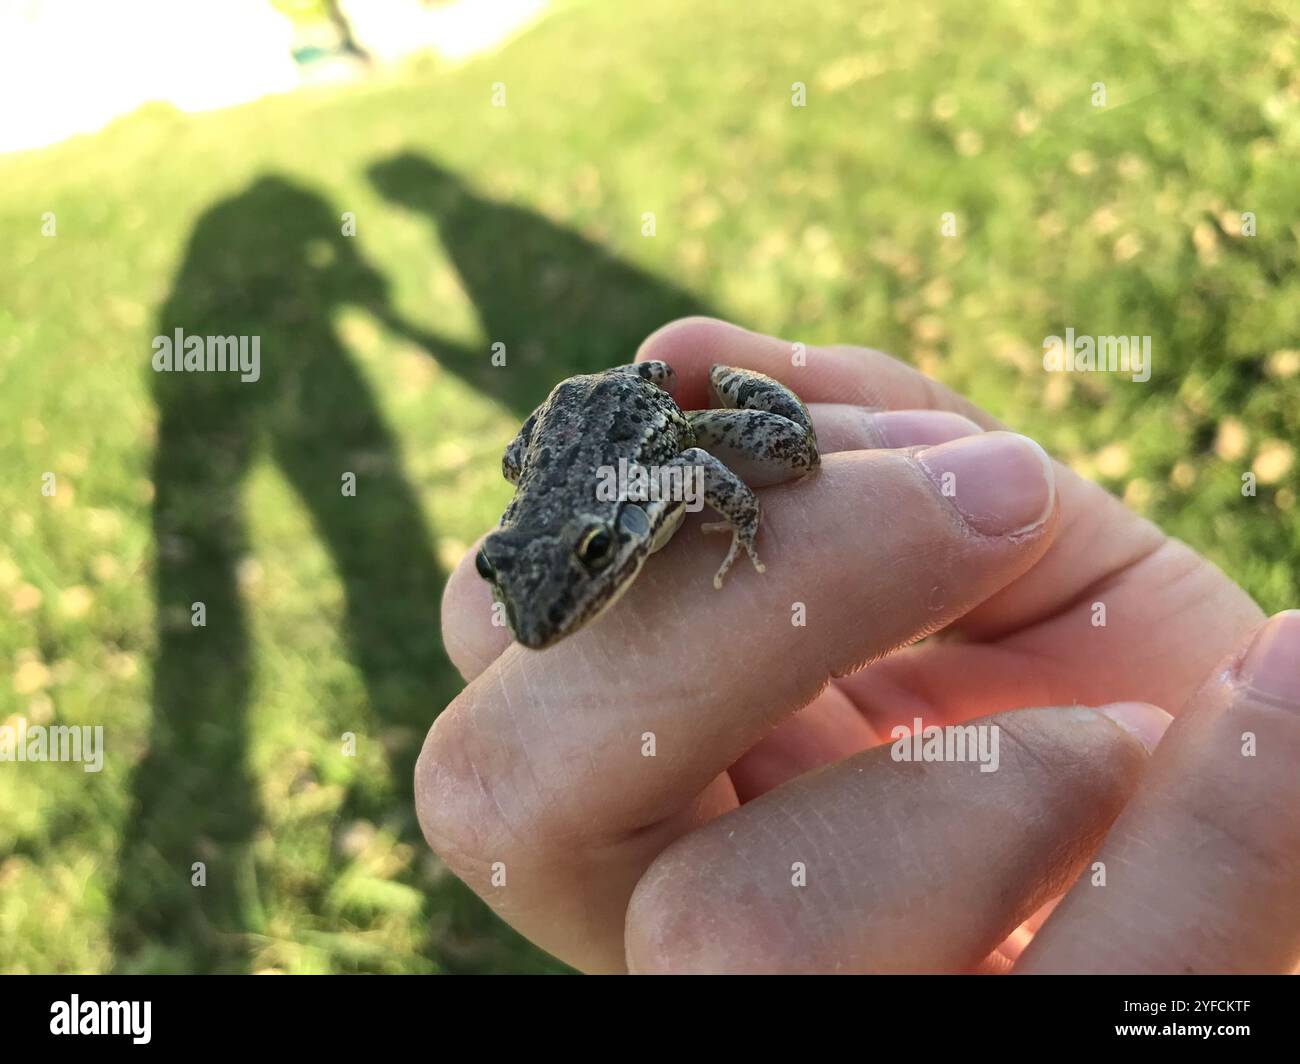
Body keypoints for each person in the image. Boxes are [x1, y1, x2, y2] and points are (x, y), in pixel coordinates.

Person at [418, 317, 1297, 974]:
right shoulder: (566, 531)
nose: (545, 622)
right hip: (579, 430)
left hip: (646, 411)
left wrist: (746, 533)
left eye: (595, 560)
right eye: (506, 566)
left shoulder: (662, 470)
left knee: (795, 454)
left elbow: (703, 473)